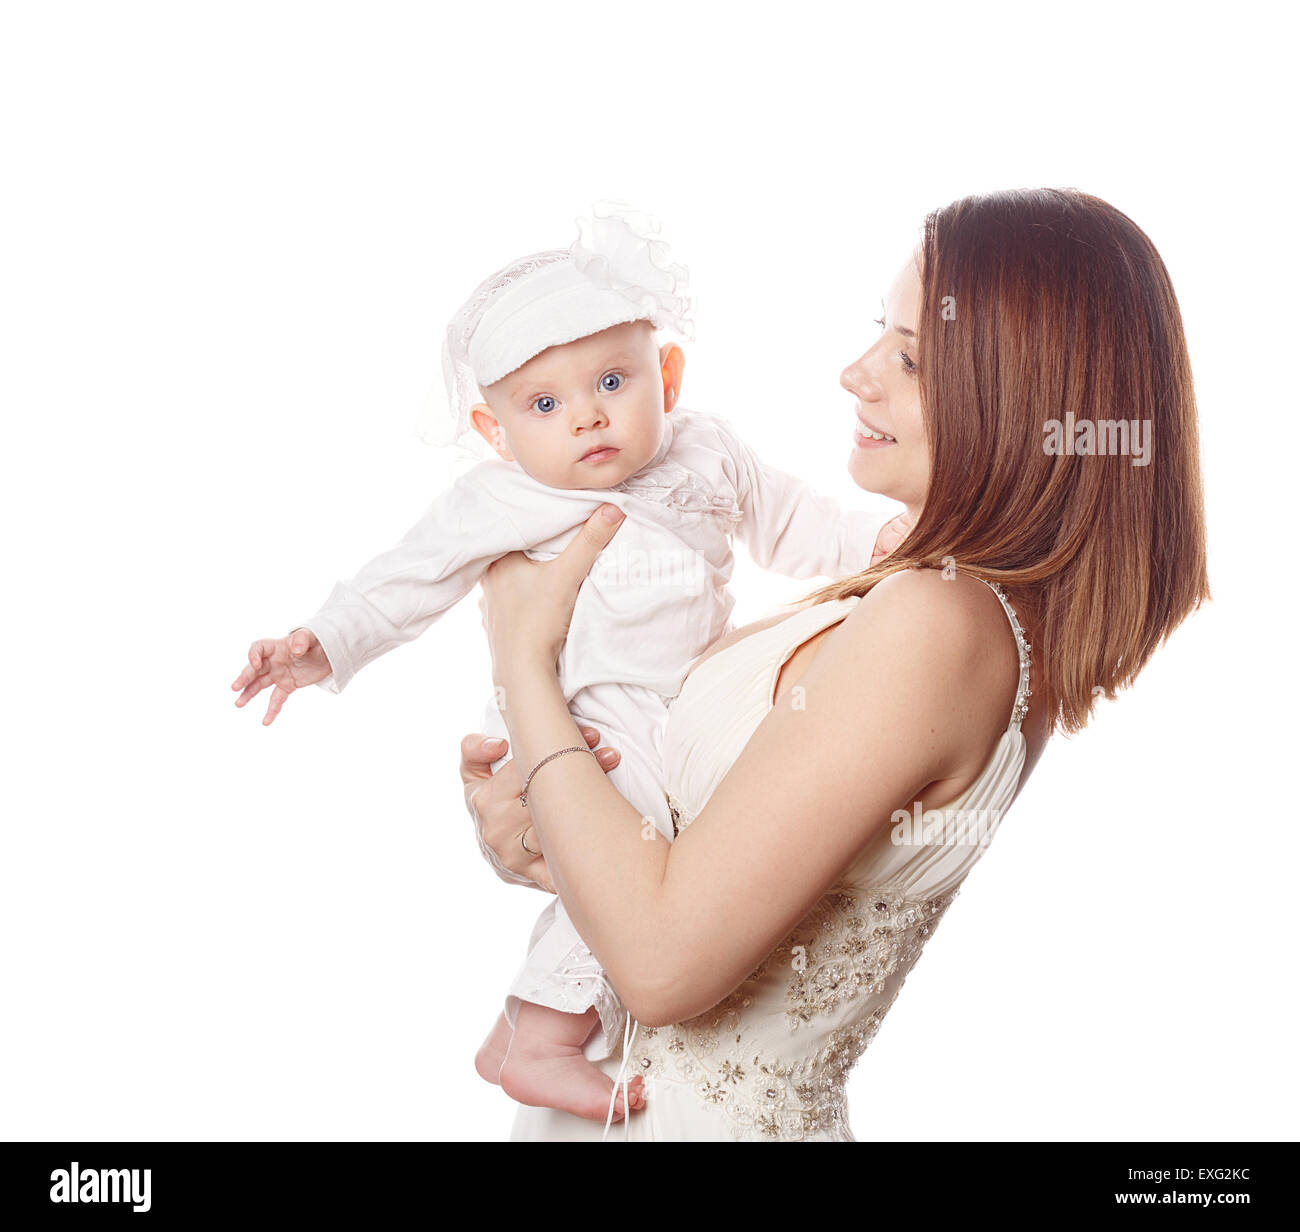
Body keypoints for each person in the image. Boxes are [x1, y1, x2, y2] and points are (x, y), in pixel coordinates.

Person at [462, 187, 1210, 1140]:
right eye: (877, 334)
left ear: (1021, 398)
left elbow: (659, 963)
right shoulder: (920, 598)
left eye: (910, 357)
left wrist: (524, 662)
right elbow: (673, 868)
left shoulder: (940, 626)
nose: (855, 375)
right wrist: (536, 815)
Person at [229, 203, 900, 1124]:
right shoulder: (507, 496)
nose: (586, 417)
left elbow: (799, 527)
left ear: (666, 374)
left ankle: (518, 1031)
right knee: (627, 844)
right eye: (544, 405)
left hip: (673, 703)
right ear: (496, 428)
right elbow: (408, 576)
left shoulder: (708, 452)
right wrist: (325, 640)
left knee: (655, 852)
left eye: (614, 381)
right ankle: (542, 1035)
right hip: (583, 712)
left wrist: (883, 542)